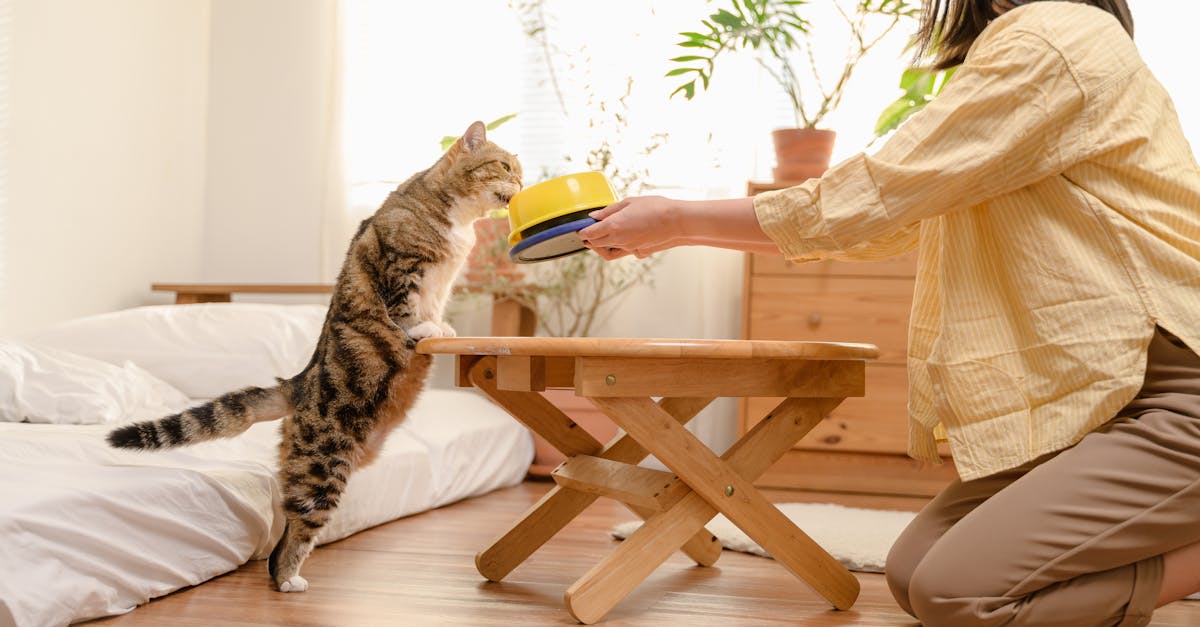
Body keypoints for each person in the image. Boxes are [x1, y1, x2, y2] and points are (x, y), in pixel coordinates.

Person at [579, 0, 1200, 624]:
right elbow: (888, 217)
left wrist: (682, 219)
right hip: (1108, 393)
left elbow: (875, 195)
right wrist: (679, 228)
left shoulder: (1057, 37)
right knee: (913, 572)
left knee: (955, 594)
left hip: (1177, 394)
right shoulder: (1030, 47)